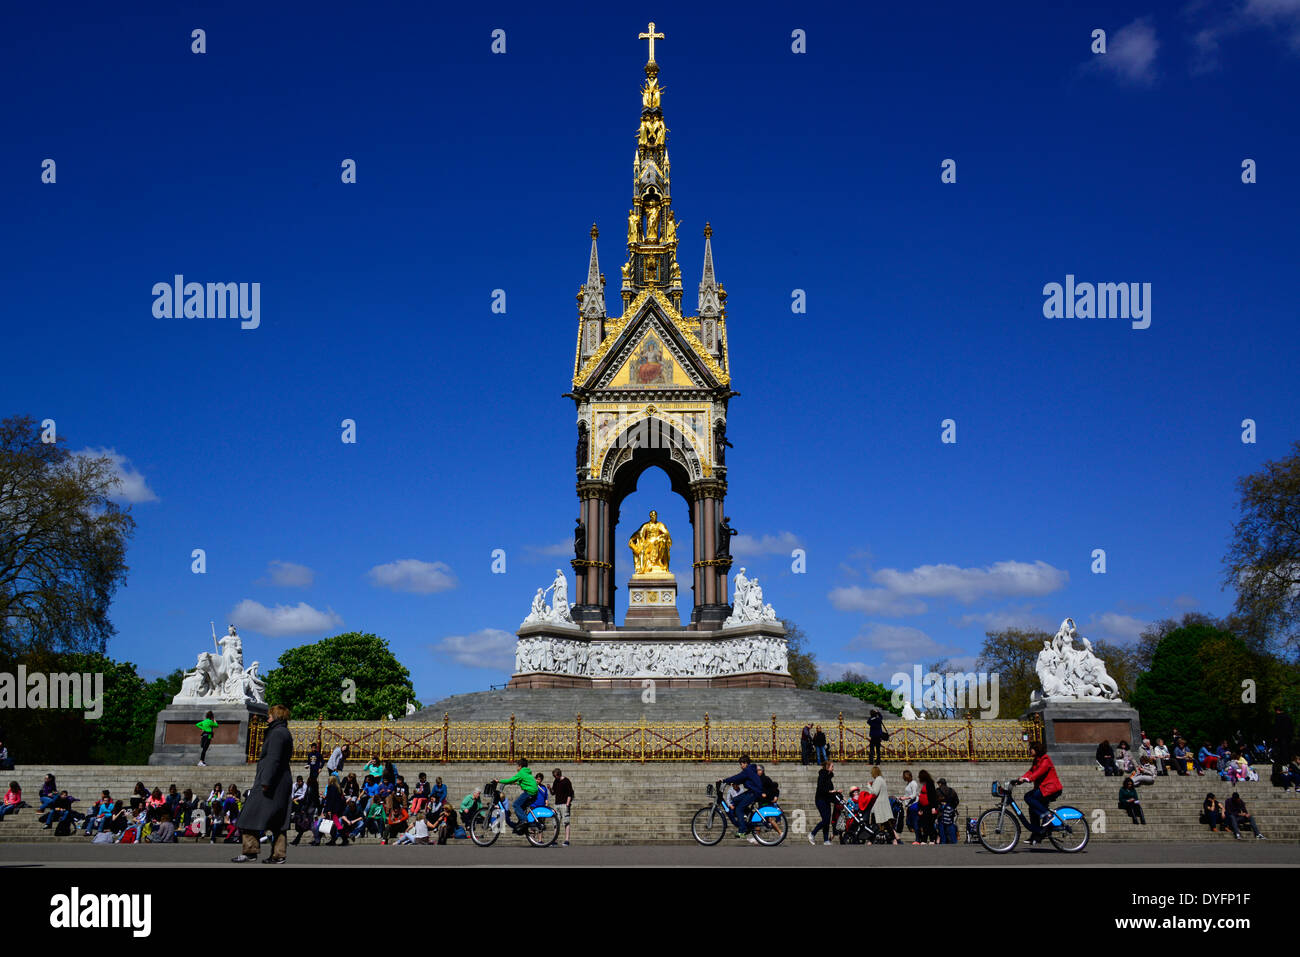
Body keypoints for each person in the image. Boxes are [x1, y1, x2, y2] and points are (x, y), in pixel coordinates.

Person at [232, 702, 294, 863]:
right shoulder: (283, 732)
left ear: (276, 716)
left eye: (270, 715)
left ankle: (250, 850)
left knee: (248, 814)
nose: (268, 718)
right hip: (280, 780)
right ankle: (278, 854)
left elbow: (273, 759)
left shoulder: (277, 733)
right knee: (278, 820)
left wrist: (266, 780)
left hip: (272, 781)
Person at [1017, 741, 1063, 845]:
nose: (1029, 751)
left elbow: (1038, 772)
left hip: (1051, 789)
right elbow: (1031, 772)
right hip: (1043, 789)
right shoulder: (1036, 761)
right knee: (1032, 808)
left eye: (1031, 749)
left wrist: (1028, 779)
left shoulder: (1045, 760)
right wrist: (1020, 779)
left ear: (1036, 749)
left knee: (1028, 797)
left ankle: (1048, 816)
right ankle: (1037, 834)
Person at [721, 754, 763, 843]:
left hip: (754, 792)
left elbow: (738, 777)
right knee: (735, 800)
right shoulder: (749, 770)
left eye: (742, 764)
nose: (741, 766)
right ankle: (747, 816)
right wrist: (730, 782)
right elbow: (740, 779)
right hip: (753, 791)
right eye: (740, 764)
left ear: (746, 763)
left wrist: (724, 780)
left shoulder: (748, 770)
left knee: (739, 809)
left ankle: (742, 830)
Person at [496, 758, 540, 833]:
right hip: (534, 793)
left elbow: (511, 780)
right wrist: (517, 783)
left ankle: (524, 821)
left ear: (520, 766)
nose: (517, 768)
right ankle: (521, 825)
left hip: (529, 792)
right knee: (521, 808)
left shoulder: (521, 772)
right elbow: (525, 781)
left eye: (517, 766)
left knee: (516, 804)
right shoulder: (527, 772)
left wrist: (499, 781)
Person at [866, 766, 900, 844]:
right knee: (885, 823)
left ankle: (871, 840)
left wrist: (869, 786)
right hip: (882, 804)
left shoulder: (878, 780)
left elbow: (874, 792)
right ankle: (893, 839)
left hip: (879, 805)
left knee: (876, 823)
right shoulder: (881, 779)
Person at [810, 760, 838, 846]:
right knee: (825, 820)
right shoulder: (822, 775)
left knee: (827, 820)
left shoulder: (829, 777)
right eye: (832, 766)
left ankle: (826, 840)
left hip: (827, 800)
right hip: (820, 800)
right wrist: (830, 791)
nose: (833, 768)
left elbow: (831, 792)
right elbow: (821, 788)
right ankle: (812, 834)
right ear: (828, 767)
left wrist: (836, 794)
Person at [914, 770, 938, 844]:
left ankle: (930, 839)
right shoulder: (925, 784)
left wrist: (933, 807)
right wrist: (920, 808)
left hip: (929, 806)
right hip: (924, 806)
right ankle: (928, 839)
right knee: (925, 824)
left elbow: (933, 796)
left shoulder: (930, 784)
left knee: (928, 824)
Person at [551, 768, 574, 847]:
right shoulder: (555, 781)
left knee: (566, 822)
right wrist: (550, 789)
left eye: (555, 776)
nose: (555, 778)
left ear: (559, 774)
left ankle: (567, 840)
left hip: (564, 804)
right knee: (555, 822)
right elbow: (553, 793)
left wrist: (568, 803)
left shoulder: (566, 781)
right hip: (557, 803)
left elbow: (570, 793)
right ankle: (555, 840)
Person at [936, 777, 960, 844]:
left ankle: (943, 841)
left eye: (938, 783)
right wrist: (951, 807)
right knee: (950, 825)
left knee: (941, 826)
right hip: (950, 812)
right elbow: (957, 801)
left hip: (941, 812)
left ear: (940, 784)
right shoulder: (951, 790)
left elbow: (934, 801)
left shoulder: (937, 791)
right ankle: (954, 841)